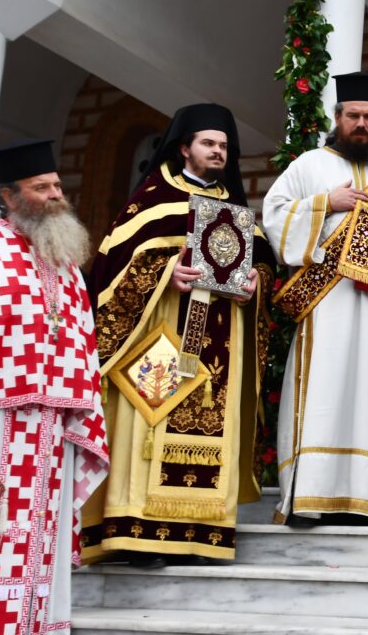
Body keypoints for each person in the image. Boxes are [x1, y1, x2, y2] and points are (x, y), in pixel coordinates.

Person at [81, 103, 274, 566]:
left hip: (221, 345)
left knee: (215, 435)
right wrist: (165, 273)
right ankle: (139, 534)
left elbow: (262, 264)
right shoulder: (153, 198)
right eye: (208, 143)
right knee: (149, 424)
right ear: (184, 148)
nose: (218, 151)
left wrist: (257, 282)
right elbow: (110, 268)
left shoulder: (236, 210)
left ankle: (201, 534)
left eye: (224, 145)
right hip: (160, 335)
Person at [263, 71, 368, 525]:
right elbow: (273, 216)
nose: (361, 123)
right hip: (328, 302)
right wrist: (325, 203)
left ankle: (366, 497)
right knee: (324, 386)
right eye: (353, 115)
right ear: (337, 117)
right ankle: (311, 496)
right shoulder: (309, 166)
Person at [0, 140, 108, 633]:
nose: (56, 195)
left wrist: (84, 404)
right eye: (42, 188)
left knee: (43, 527)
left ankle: (38, 623)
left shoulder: (65, 259)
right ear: (10, 196)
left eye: (57, 186)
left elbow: (84, 338)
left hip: (58, 422)